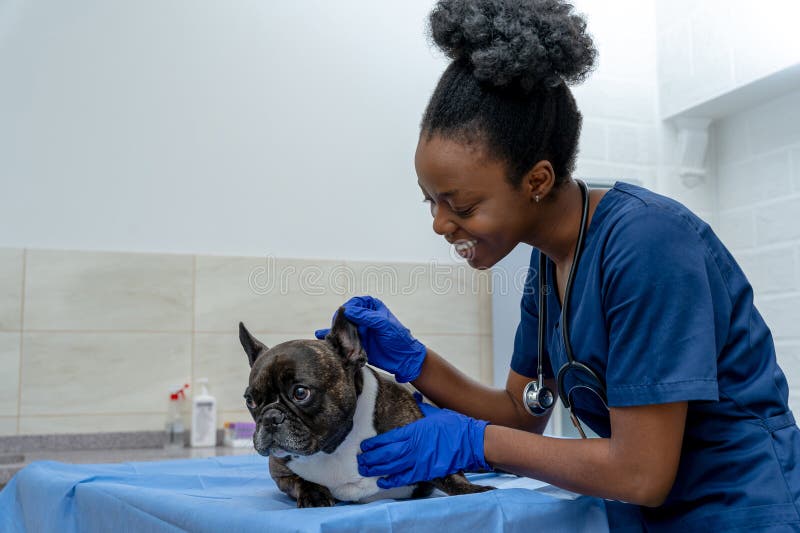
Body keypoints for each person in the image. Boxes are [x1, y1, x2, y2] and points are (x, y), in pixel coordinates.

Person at [314, 0, 800, 530]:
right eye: (429, 201)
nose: (440, 224)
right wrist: (416, 362)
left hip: (744, 512)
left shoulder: (647, 245)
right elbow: (519, 413)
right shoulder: (548, 265)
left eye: (463, 206)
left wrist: (475, 443)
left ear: (538, 181)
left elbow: (642, 472)